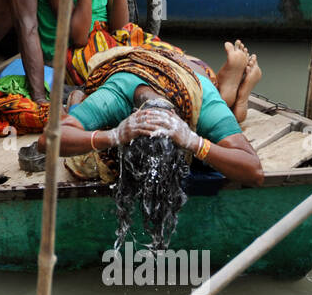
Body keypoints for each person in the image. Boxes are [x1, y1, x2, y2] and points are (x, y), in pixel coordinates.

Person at [36, 40, 264, 186]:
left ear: (179, 117)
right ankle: (233, 92)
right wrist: (114, 136)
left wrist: (193, 142)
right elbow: (46, 140)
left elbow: (254, 171)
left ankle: (228, 86)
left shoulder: (200, 100)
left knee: (223, 109)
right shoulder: (116, 95)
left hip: (192, 68)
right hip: (137, 60)